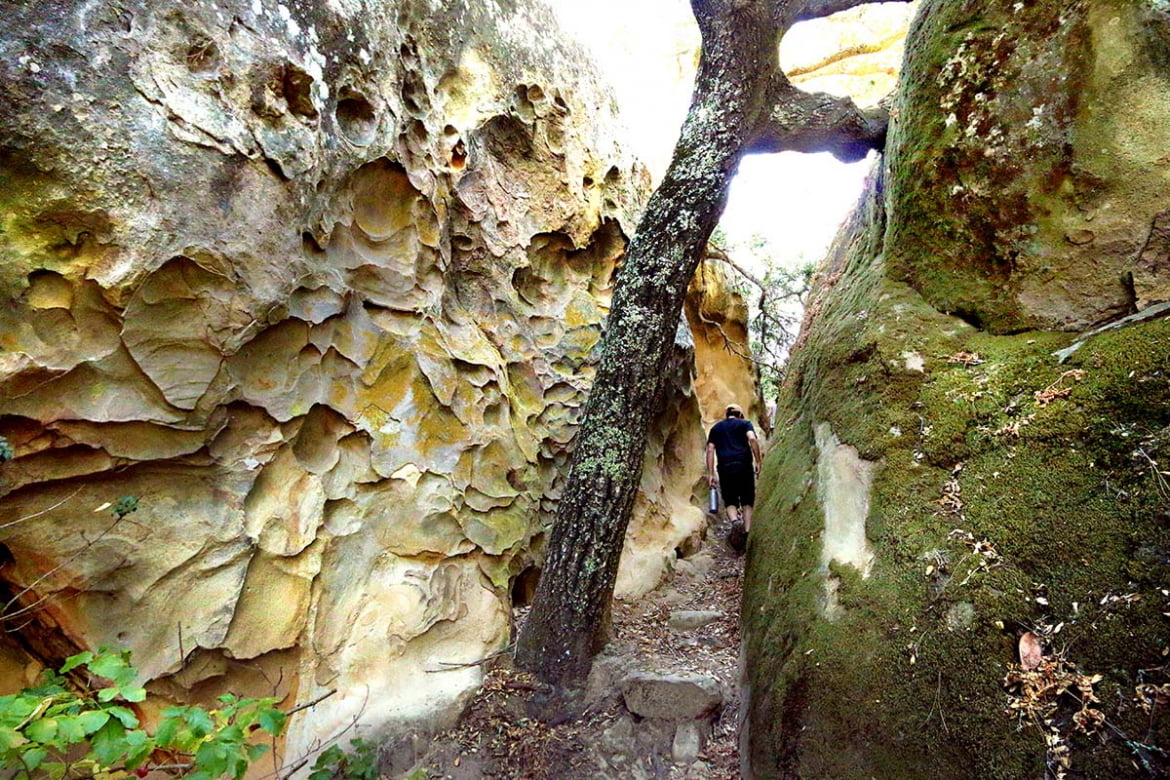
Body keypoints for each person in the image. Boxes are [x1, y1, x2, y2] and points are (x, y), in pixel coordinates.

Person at [706, 403, 763, 534]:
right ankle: (747, 532)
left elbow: (710, 449)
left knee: (730, 499)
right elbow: (752, 439)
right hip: (744, 465)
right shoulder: (745, 424)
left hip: (725, 467)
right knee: (747, 499)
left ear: (726, 415)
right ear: (740, 414)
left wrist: (711, 474)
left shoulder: (716, 428)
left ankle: (735, 522)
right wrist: (758, 461)